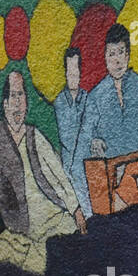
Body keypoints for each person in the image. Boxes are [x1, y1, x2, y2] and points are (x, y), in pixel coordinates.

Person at [0, 17, 85, 276]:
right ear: (4, 104)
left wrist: (77, 210)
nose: (18, 102)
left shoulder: (35, 136)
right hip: (14, 225)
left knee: (69, 234)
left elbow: (58, 175)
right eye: (13, 96)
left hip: (47, 218)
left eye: (21, 95)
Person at [81, 23, 138, 161]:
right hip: (109, 168)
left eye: (121, 52)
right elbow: (86, 135)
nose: (117, 61)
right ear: (105, 58)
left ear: (128, 55)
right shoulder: (96, 95)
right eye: (111, 54)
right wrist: (94, 142)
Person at [53, 46, 92, 216]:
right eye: (69, 70)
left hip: (85, 164)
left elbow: (90, 130)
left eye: (76, 69)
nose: (73, 75)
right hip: (69, 166)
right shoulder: (60, 102)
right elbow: (66, 137)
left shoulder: (88, 98)